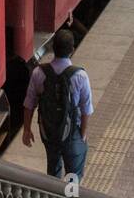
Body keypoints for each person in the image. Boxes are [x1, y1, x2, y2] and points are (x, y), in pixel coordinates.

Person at [21, 28, 93, 180]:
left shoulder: (38, 73)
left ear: (53, 48)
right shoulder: (80, 76)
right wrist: (83, 133)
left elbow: (29, 104)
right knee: (73, 175)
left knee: (53, 168)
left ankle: (52, 196)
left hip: (49, 132)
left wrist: (27, 129)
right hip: (73, 134)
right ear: (72, 50)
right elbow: (86, 109)